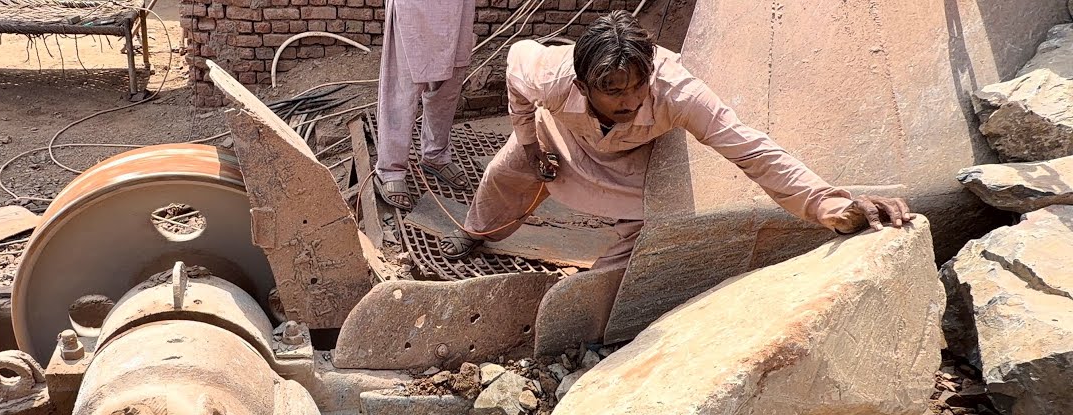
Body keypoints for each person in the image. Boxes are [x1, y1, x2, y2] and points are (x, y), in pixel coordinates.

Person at [441, 10, 911, 265]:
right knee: (504, 174)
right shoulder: (553, 76)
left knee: (645, 218)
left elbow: (751, 149)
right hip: (560, 133)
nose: (627, 101)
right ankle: (475, 233)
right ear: (584, 86)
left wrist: (831, 206)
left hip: (639, 152)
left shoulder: (679, 94)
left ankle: (612, 284)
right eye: (612, 91)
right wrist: (528, 142)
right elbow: (516, 63)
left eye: (637, 86)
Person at [373, 0, 476, 211]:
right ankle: (390, 169)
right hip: (414, 7)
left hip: (458, 8)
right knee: (402, 86)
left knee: (449, 83)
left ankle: (435, 155)